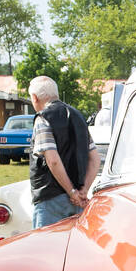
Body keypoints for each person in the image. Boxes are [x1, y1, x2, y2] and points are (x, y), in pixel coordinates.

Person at [28, 75, 99, 228]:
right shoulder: (79, 117)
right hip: (79, 200)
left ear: (34, 98)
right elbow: (95, 159)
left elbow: (52, 160)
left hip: (50, 200)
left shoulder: (43, 119)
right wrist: (83, 190)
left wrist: (71, 192)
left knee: (47, 249)